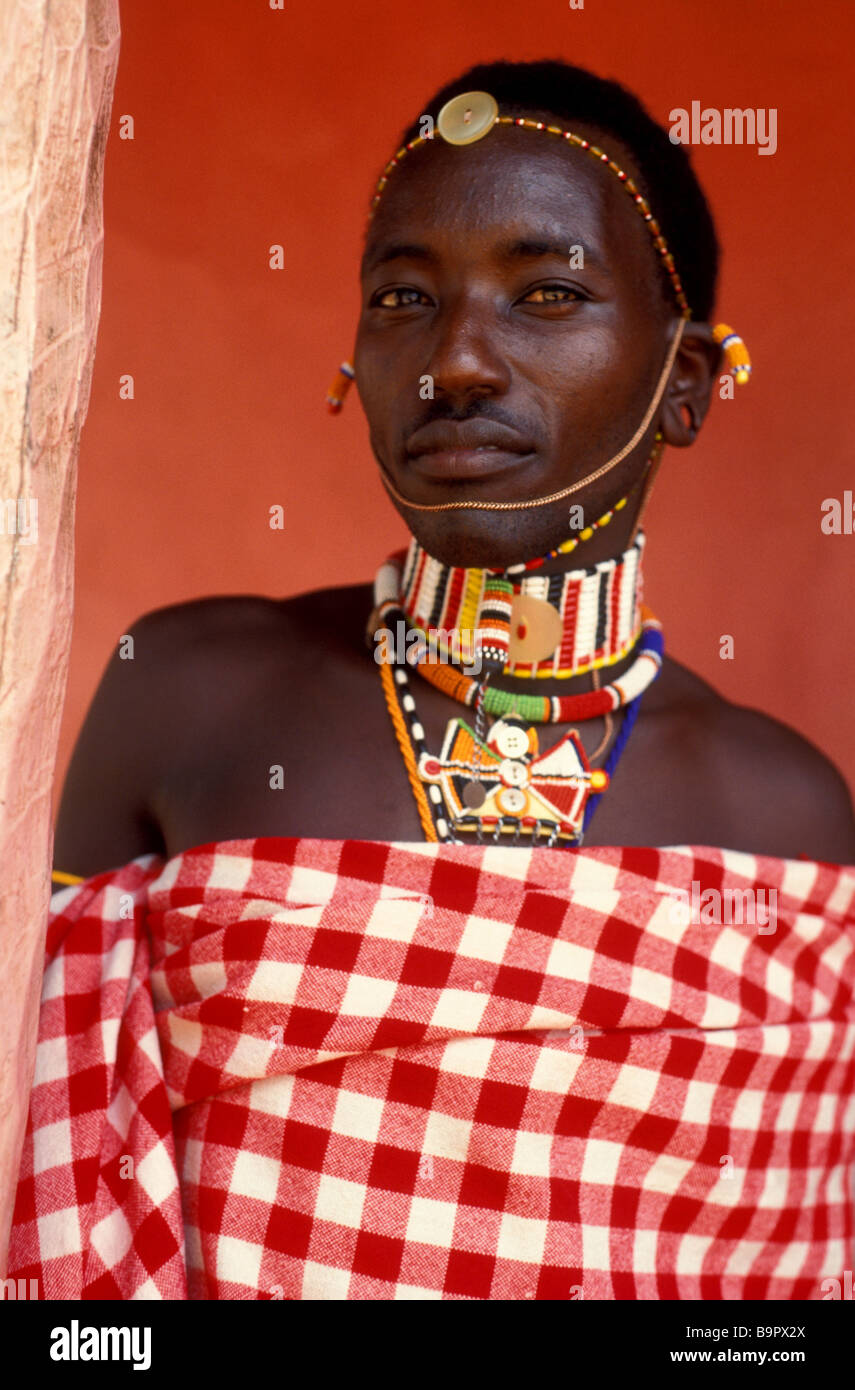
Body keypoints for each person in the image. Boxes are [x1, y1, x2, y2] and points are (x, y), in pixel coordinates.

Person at [11, 59, 855, 1302]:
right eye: (404, 295)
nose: (455, 360)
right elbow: (52, 1201)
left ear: (685, 385)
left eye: (548, 293)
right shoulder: (186, 697)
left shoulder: (784, 816)